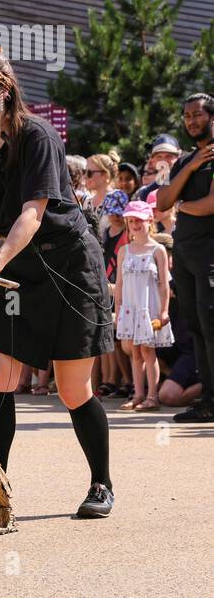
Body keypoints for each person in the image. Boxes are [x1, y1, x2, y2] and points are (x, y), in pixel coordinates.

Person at [0, 45, 116, 519]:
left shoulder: (37, 137)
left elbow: (32, 215)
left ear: (2, 90)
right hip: (12, 272)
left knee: (72, 388)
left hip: (66, 267)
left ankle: (101, 483)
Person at [154, 92, 214, 423]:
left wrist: (183, 206)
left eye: (198, 115)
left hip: (209, 256)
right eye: (186, 116)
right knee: (197, 330)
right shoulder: (185, 161)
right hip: (186, 255)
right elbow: (162, 201)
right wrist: (190, 166)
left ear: (212, 117)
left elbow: (210, 204)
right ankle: (207, 399)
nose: (191, 120)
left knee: (211, 325)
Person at [113, 201, 172, 412]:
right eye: (131, 221)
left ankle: (152, 396)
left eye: (139, 220)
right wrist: (118, 311)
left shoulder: (158, 250)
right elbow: (119, 284)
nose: (135, 224)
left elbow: (164, 285)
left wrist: (164, 311)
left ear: (149, 220)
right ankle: (138, 394)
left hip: (148, 307)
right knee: (134, 352)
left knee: (148, 351)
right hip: (130, 308)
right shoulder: (124, 251)